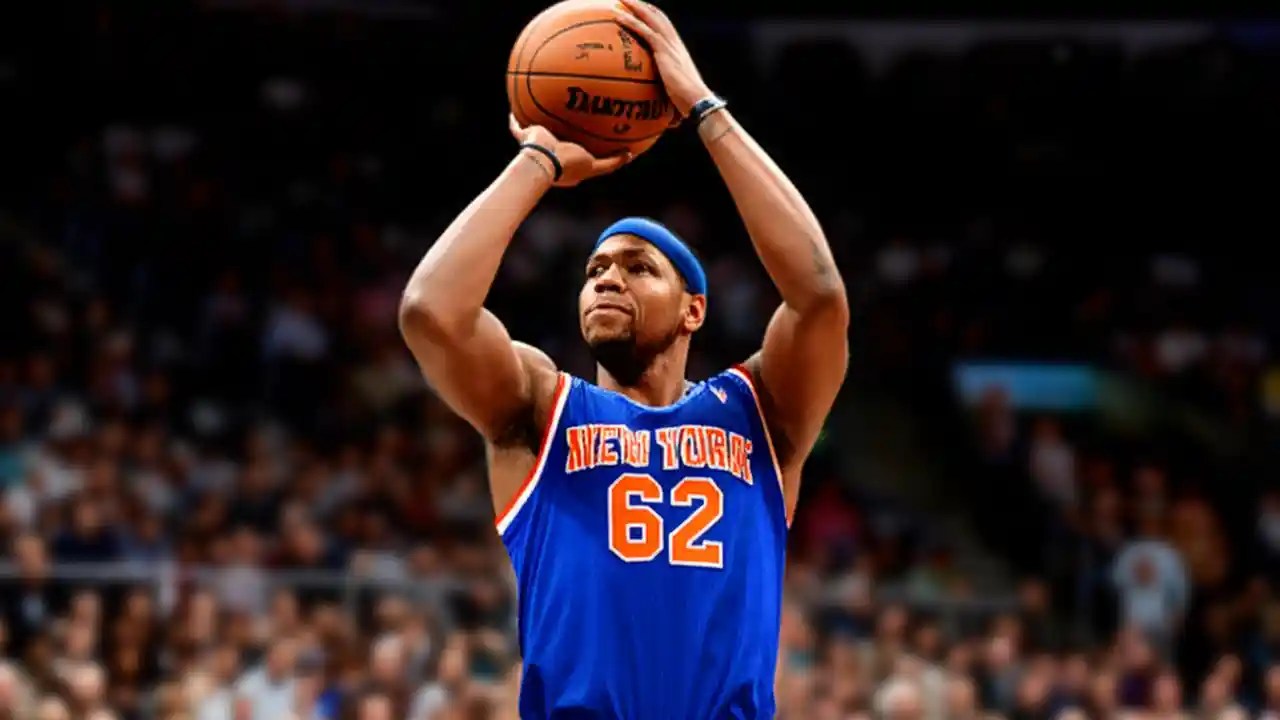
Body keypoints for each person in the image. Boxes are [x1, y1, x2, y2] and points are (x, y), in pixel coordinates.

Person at [397, 1, 848, 716]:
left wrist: (703, 108)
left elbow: (819, 295)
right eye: (594, 269)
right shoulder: (542, 407)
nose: (606, 277)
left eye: (639, 268)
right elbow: (430, 312)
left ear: (694, 309)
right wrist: (538, 161)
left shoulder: (760, 411)